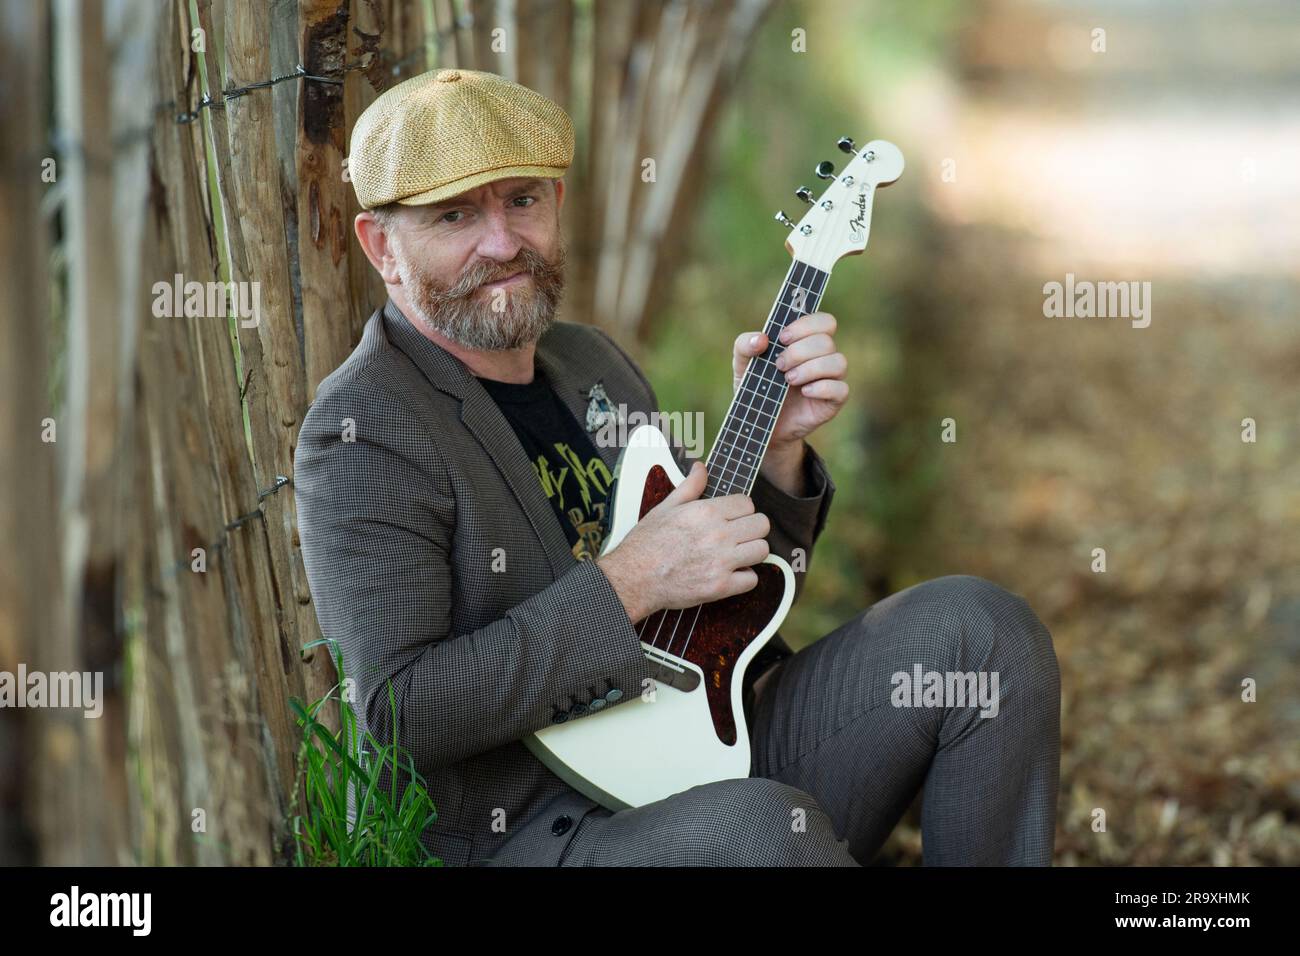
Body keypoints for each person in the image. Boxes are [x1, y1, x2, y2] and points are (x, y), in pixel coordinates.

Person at [294, 67, 1060, 866]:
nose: (503, 242)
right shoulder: (365, 430)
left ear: (556, 206)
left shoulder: (590, 364)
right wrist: (630, 582)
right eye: (455, 215)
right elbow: (400, 714)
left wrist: (777, 451)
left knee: (984, 634)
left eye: (521, 200)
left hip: (707, 752)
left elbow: (721, 608)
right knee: (753, 832)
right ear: (381, 246)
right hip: (538, 830)